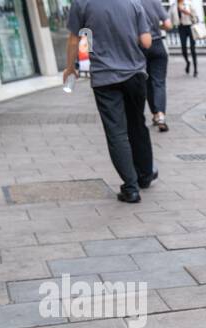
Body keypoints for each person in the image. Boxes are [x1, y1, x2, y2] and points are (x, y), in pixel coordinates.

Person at [64, 0, 155, 203]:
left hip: (104, 77)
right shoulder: (133, 3)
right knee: (137, 124)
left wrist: (70, 68)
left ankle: (131, 189)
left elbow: (75, 39)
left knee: (116, 132)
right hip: (134, 74)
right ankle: (145, 175)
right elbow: (146, 42)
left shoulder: (82, 4)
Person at [141, 0, 172, 131]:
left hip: (140, 46)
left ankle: (154, 114)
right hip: (158, 44)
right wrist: (158, 28)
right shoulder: (154, 1)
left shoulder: (131, 2)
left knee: (147, 82)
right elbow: (168, 25)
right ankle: (160, 115)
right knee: (159, 82)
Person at [176, 0, 198, 76]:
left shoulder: (188, 3)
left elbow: (195, 16)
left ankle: (195, 69)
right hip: (181, 27)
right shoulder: (175, 5)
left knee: (192, 48)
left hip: (190, 27)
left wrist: (186, 12)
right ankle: (188, 62)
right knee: (183, 48)